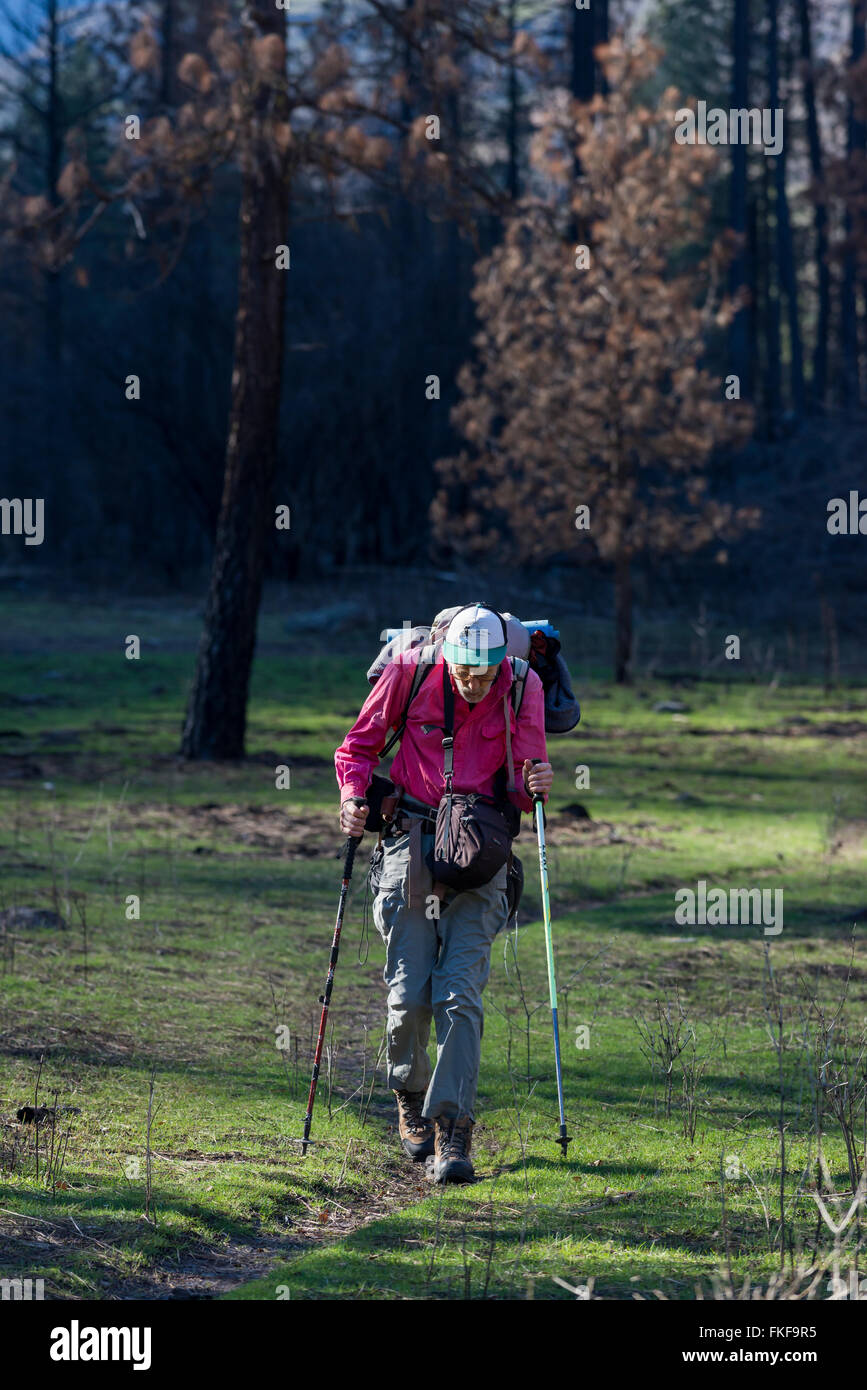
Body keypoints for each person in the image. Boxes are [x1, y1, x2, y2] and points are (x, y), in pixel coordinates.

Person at [335, 604, 553, 1183]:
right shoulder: (408, 674)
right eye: (464, 672)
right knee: (408, 994)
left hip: (482, 851)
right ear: (447, 657)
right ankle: (409, 1090)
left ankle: (453, 1129)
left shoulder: (521, 684)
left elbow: (525, 781)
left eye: (485, 675)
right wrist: (354, 798)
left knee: (461, 993)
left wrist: (536, 785)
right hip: (410, 841)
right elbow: (356, 748)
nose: (475, 684)